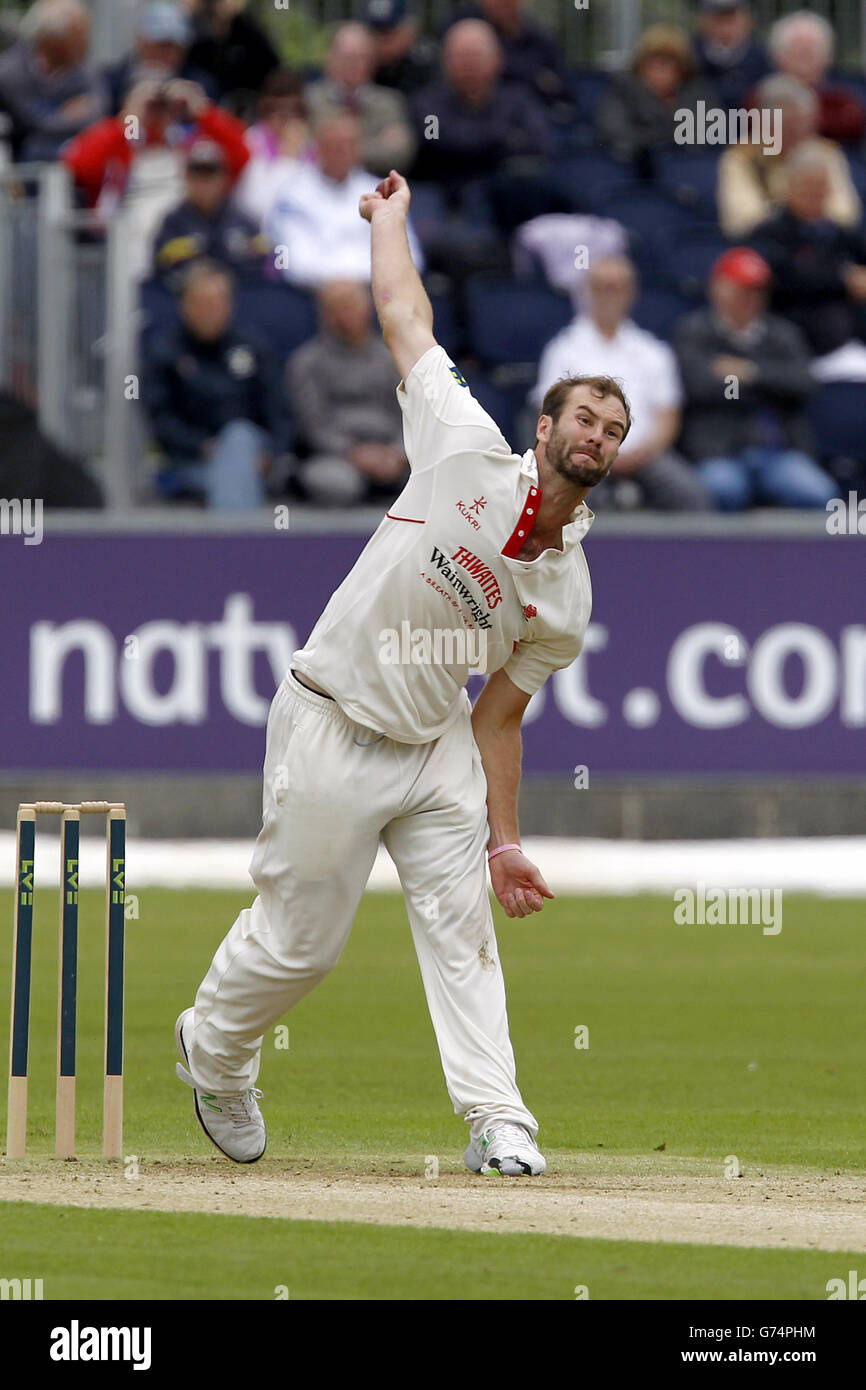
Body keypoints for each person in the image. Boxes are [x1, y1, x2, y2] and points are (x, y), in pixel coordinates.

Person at [174, 169, 631, 1178]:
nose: (596, 433)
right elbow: (401, 313)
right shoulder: (463, 446)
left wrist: (504, 841)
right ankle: (214, 1052)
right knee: (304, 947)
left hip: (433, 748)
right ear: (543, 430)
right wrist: (392, 219)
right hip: (332, 719)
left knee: (462, 926)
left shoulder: (565, 593)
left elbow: (499, 719)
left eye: (614, 426)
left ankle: (496, 1116)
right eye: (583, 417)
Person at [532, 256, 710, 512]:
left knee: (691, 494)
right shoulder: (563, 349)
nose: (609, 295)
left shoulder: (653, 351)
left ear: (631, 292)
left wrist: (639, 453)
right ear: (589, 292)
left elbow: (668, 416)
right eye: (601, 287)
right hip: (580, 453)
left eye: (617, 287)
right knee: (565, 497)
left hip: (646, 456)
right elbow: (549, 411)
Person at [675, 248, 835, 510]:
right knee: (723, 489)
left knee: (818, 493)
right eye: (741, 289)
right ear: (717, 288)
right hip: (718, 451)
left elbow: (803, 384)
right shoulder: (693, 332)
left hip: (776, 450)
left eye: (757, 290)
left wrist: (750, 372)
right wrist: (763, 385)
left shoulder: (783, 334)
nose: (750, 298)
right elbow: (699, 386)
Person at [141, 261, 282, 509]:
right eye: (201, 303)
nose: (209, 311)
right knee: (231, 466)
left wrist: (271, 455)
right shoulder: (165, 351)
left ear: (230, 305)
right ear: (183, 306)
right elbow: (159, 418)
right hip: (191, 461)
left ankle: (229, 541)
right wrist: (201, 446)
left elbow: (280, 410)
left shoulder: (254, 346)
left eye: (217, 303)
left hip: (255, 457)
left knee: (238, 437)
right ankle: (241, 541)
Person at [410, 18, 554, 228]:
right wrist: (501, 140)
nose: (468, 65)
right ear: (445, 61)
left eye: (475, 56)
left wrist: (468, 146)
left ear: (497, 59)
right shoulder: (427, 104)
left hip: (505, 209)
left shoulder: (520, 101)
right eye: (460, 57)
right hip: (446, 206)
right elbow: (434, 142)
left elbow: (540, 147)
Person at [266, 111, 424, 289]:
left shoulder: (382, 192)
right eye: (333, 145)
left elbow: (411, 259)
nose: (341, 152)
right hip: (312, 297)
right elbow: (292, 264)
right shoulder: (293, 194)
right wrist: (343, 285)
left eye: (348, 145)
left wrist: (353, 284)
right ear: (318, 147)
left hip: (373, 295)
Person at [287, 280, 408, 505]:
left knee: (439, 475)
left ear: (367, 310)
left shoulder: (393, 359)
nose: (345, 316)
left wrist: (398, 453)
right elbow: (313, 426)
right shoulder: (307, 362)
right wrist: (355, 453)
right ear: (324, 316)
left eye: (350, 306)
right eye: (337, 308)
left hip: (392, 453)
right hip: (336, 457)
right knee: (338, 484)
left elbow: (410, 414)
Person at [751, 146, 866, 382]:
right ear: (790, 187)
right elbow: (785, 278)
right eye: (808, 189)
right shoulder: (769, 234)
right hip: (793, 348)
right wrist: (843, 281)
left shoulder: (841, 235)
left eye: (820, 189)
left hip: (849, 347)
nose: (815, 196)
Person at [717, 75, 860, 237]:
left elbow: (846, 213)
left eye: (804, 125)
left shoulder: (826, 153)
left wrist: (800, 207)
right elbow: (740, 222)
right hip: (766, 246)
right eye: (787, 126)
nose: (797, 133)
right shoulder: (742, 156)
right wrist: (795, 207)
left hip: (820, 243)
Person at [597, 23, 714, 178]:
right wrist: (668, 138)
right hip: (633, 174)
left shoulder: (698, 92)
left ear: (682, 68)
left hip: (686, 176)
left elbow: (708, 134)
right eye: (653, 62)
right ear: (640, 65)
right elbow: (616, 134)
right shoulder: (622, 91)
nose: (660, 71)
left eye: (668, 63)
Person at [304, 22, 416, 177]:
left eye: (361, 57)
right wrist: (375, 146)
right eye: (347, 57)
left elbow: (400, 155)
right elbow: (301, 150)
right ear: (330, 57)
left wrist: (333, 149)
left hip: (377, 190)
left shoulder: (390, 103)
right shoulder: (308, 100)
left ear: (373, 61)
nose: (354, 64)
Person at [153, 139, 269, 287]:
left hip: (241, 303)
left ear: (223, 179)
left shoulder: (244, 221)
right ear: (187, 179)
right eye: (198, 177)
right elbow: (162, 272)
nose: (204, 185)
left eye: (210, 176)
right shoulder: (172, 223)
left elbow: (261, 269)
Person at [0, 0, 107, 161]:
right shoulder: (11, 72)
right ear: (52, 41)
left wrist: (53, 117)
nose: (86, 44)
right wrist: (65, 116)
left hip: (80, 160)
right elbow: (34, 124)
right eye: (78, 37)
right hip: (28, 167)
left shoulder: (85, 68)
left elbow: (98, 114)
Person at [441, 0, 573, 123]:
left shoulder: (541, 40)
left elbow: (562, 91)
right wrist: (535, 77)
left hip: (529, 124)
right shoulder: (462, 29)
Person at [767, 9, 866, 146]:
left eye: (811, 51)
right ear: (777, 57)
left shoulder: (849, 95)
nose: (804, 60)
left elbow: (855, 123)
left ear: (828, 56)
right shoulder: (761, 95)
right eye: (797, 51)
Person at [104, 1, 214, 117]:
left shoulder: (199, 84)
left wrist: (203, 114)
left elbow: (227, 133)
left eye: (175, 47)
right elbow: (130, 135)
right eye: (160, 45)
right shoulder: (113, 83)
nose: (167, 54)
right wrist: (132, 118)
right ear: (141, 41)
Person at [182, 0, 279, 113]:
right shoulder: (191, 29)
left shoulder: (248, 33)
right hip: (202, 108)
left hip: (245, 109)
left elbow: (273, 70)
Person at [692, 0, 769, 110]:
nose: (725, 25)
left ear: (747, 19)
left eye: (731, 18)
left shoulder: (763, 58)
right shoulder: (688, 58)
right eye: (718, 19)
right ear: (704, 20)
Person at [363, 0, 438, 99]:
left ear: (410, 31)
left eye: (387, 33)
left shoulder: (427, 66)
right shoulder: (359, 65)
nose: (379, 41)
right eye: (373, 33)